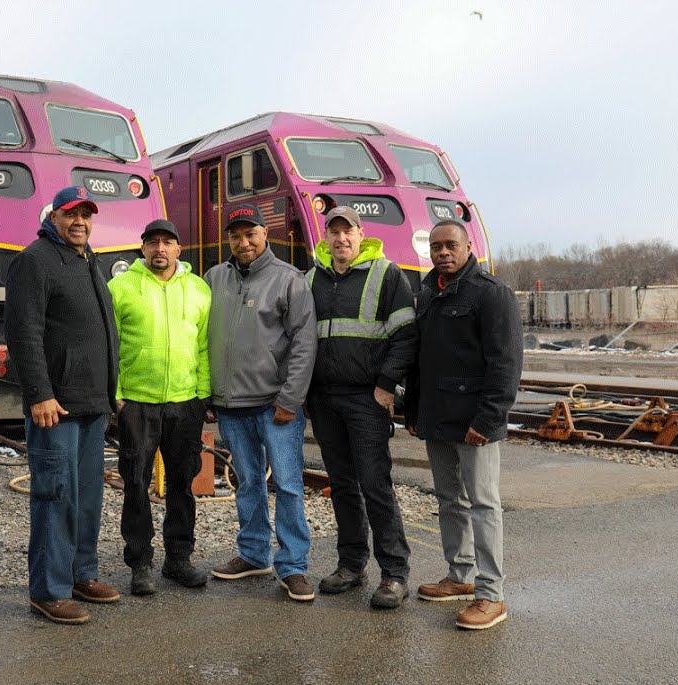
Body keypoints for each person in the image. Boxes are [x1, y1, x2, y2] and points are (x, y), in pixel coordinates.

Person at [3, 185, 122, 625]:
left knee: (87, 495)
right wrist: (39, 393)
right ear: (54, 216)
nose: (80, 222)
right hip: (57, 404)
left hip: (93, 402)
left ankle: (81, 574)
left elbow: (102, 330)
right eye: (72, 214)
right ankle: (48, 590)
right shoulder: (34, 261)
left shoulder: (88, 259)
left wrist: (113, 389)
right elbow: (23, 333)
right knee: (55, 495)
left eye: (87, 215)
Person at [404, 218, 523, 630]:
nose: (442, 253)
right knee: (450, 500)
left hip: (475, 421)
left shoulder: (491, 295)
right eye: (435, 247)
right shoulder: (427, 293)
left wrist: (489, 420)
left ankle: (492, 595)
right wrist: (414, 411)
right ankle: (461, 576)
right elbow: (422, 360)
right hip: (437, 419)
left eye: (450, 245)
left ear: (468, 245)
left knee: (484, 504)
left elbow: (506, 365)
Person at [204, 203, 318, 602]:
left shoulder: (290, 280)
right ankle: (254, 554)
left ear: (265, 234)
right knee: (248, 482)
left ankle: (293, 566)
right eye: (236, 235)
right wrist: (209, 393)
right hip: (231, 405)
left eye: (250, 233)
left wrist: (291, 398)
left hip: (275, 405)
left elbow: (305, 343)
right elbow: (204, 337)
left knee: (287, 485)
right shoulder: (214, 277)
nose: (243, 241)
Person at [305, 207, 417, 609]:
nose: (341, 239)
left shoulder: (386, 274)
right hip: (324, 399)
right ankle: (352, 564)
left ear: (360, 233)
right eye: (334, 232)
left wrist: (387, 386)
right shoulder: (312, 277)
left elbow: (406, 334)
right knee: (343, 485)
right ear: (327, 236)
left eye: (347, 231)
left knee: (375, 485)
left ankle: (395, 574)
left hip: (365, 399)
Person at [107, 218, 213, 596]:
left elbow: (202, 346)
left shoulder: (199, 289)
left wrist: (203, 395)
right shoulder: (120, 288)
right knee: (135, 483)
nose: (160, 250)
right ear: (143, 249)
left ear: (179, 249)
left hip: (185, 403)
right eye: (152, 243)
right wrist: (116, 395)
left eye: (167, 242)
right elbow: (111, 346)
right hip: (136, 402)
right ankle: (140, 563)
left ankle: (178, 559)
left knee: (183, 483)